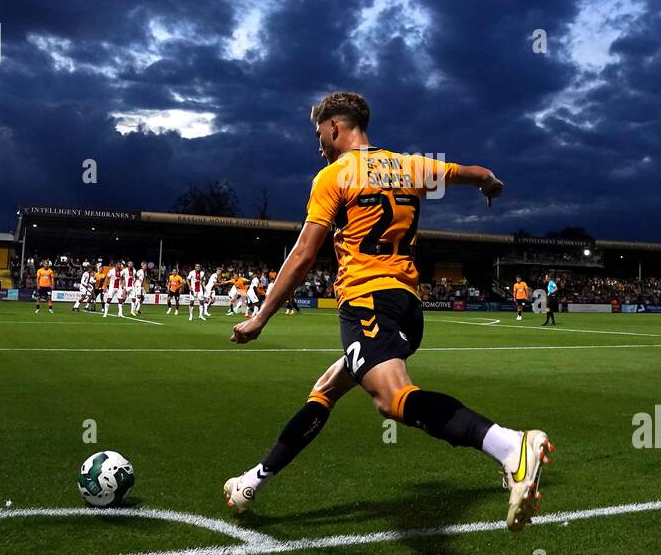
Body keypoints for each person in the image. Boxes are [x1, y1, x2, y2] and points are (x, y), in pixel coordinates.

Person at [224, 91, 552, 532]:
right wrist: (489, 182)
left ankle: (511, 446)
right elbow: (468, 172)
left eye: (319, 133)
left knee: (392, 399)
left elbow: (303, 254)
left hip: (366, 301)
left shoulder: (333, 176)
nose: (318, 142)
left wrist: (260, 317)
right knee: (328, 387)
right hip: (407, 307)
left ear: (335, 127)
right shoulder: (409, 165)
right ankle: (253, 481)